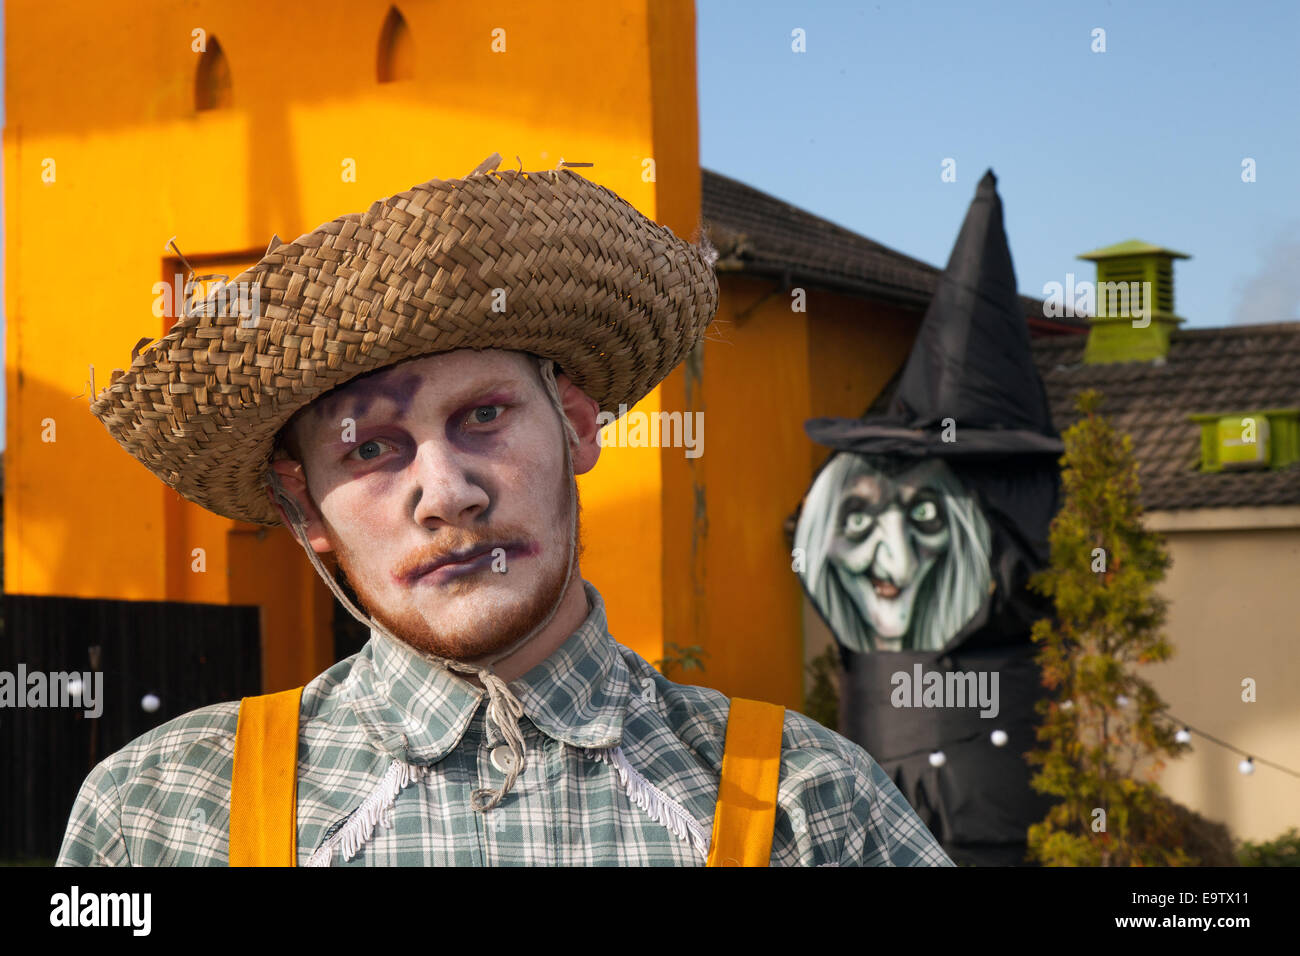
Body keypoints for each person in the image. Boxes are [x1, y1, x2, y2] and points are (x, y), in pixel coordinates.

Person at [58, 153, 954, 867]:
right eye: (371, 448)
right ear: (305, 508)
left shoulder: (810, 808)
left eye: (483, 416)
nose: (448, 493)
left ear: (573, 425)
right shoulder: (162, 815)